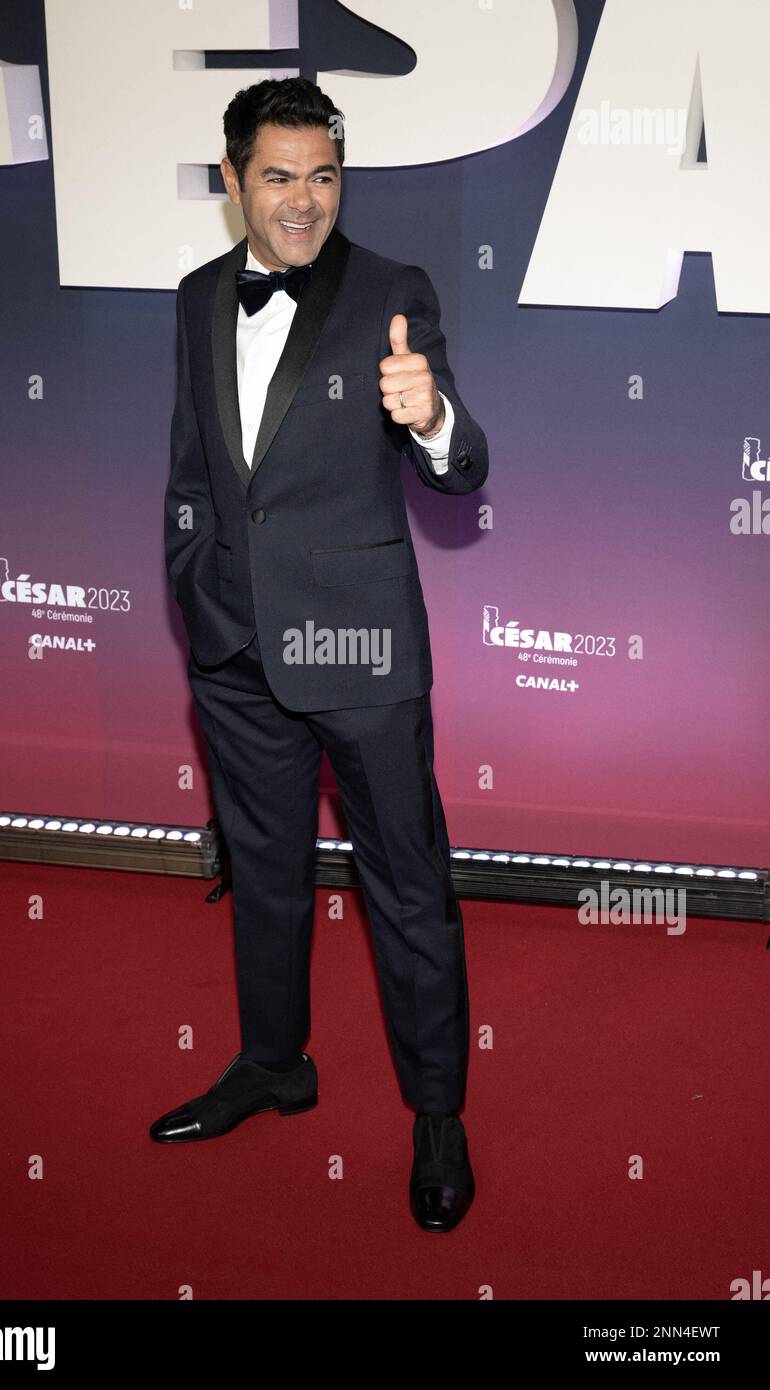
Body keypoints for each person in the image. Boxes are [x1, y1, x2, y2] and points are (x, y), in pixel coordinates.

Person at [152, 76, 489, 1234]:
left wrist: (430, 414)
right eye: (280, 176)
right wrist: (197, 597)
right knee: (264, 875)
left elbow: (465, 464)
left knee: (406, 890)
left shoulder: (393, 293)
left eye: (324, 175)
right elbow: (196, 473)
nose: (303, 202)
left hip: (362, 656)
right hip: (237, 655)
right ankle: (271, 1061)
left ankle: (435, 1114)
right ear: (235, 178)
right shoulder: (199, 297)